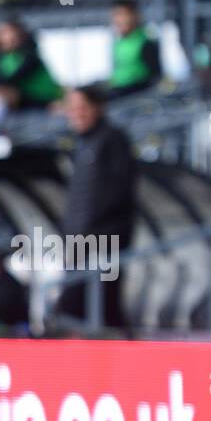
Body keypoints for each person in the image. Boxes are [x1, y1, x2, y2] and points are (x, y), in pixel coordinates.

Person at [56, 86, 136, 331]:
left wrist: (90, 237)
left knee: (84, 306)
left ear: (98, 108)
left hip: (103, 243)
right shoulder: (82, 144)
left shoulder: (112, 140)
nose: (75, 114)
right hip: (81, 243)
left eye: (82, 108)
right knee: (97, 310)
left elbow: (117, 193)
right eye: (71, 108)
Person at [0, 18, 62, 110]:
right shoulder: (3, 57)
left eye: (7, 32)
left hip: (45, 97)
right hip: (25, 99)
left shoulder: (29, 53)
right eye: (1, 33)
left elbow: (19, 74)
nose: (4, 37)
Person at [106, 0, 161, 99]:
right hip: (120, 91)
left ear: (135, 16)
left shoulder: (145, 41)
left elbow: (155, 76)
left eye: (123, 14)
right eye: (116, 15)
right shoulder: (118, 42)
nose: (119, 19)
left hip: (136, 94)